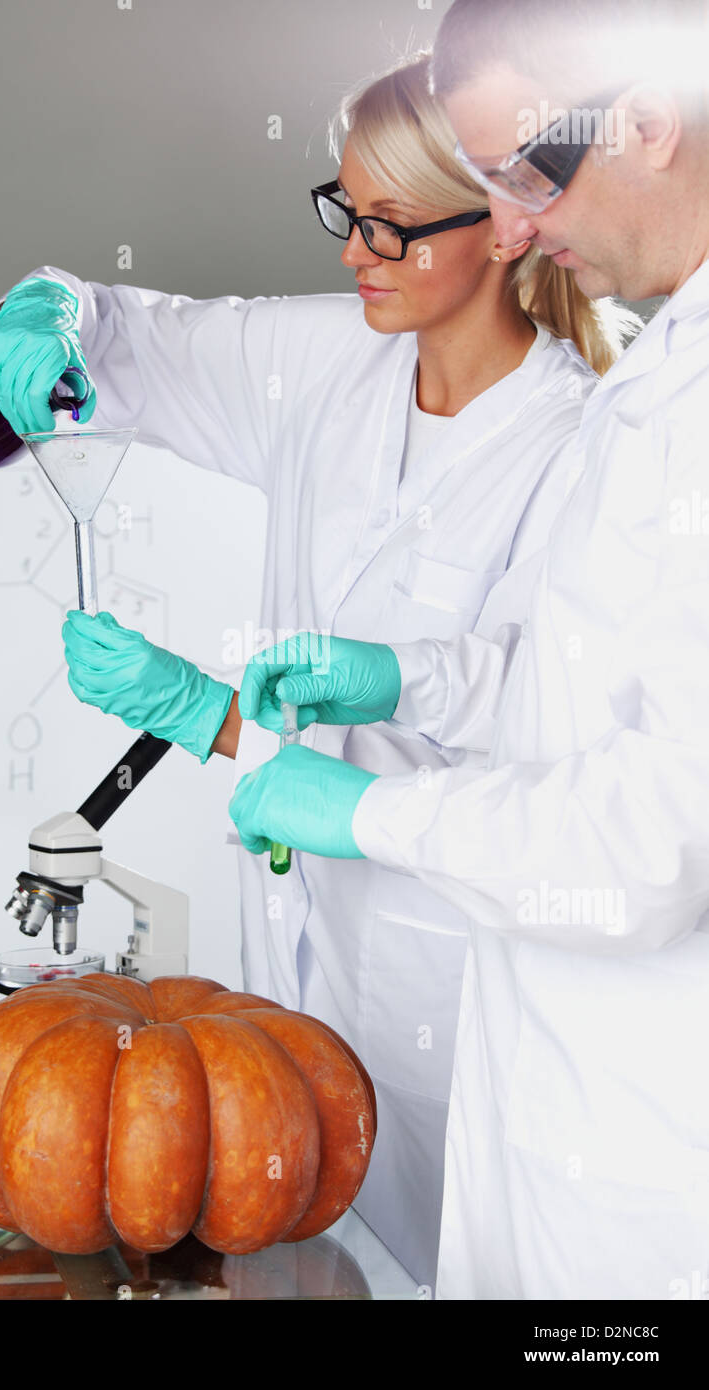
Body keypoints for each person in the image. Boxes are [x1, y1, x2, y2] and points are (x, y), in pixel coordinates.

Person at [0, 52, 633, 1288]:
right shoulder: (326, 361)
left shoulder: (583, 446)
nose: (354, 249)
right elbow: (115, 333)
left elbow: (528, 765)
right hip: (281, 1006)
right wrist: (39, 324)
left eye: (391, 224)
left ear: (502, 227)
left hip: (457, 1001)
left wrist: (205, 717)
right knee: (289, 1247)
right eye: (342, 207)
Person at [228, 0, 709, 1299]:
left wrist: (376, 811)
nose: (508, 233)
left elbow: (652, 841)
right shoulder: (662, 373)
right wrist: (408, 678)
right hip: (557, 1118)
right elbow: (579, 691)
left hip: (649, 1167)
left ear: (644, 123)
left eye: (515, 176)